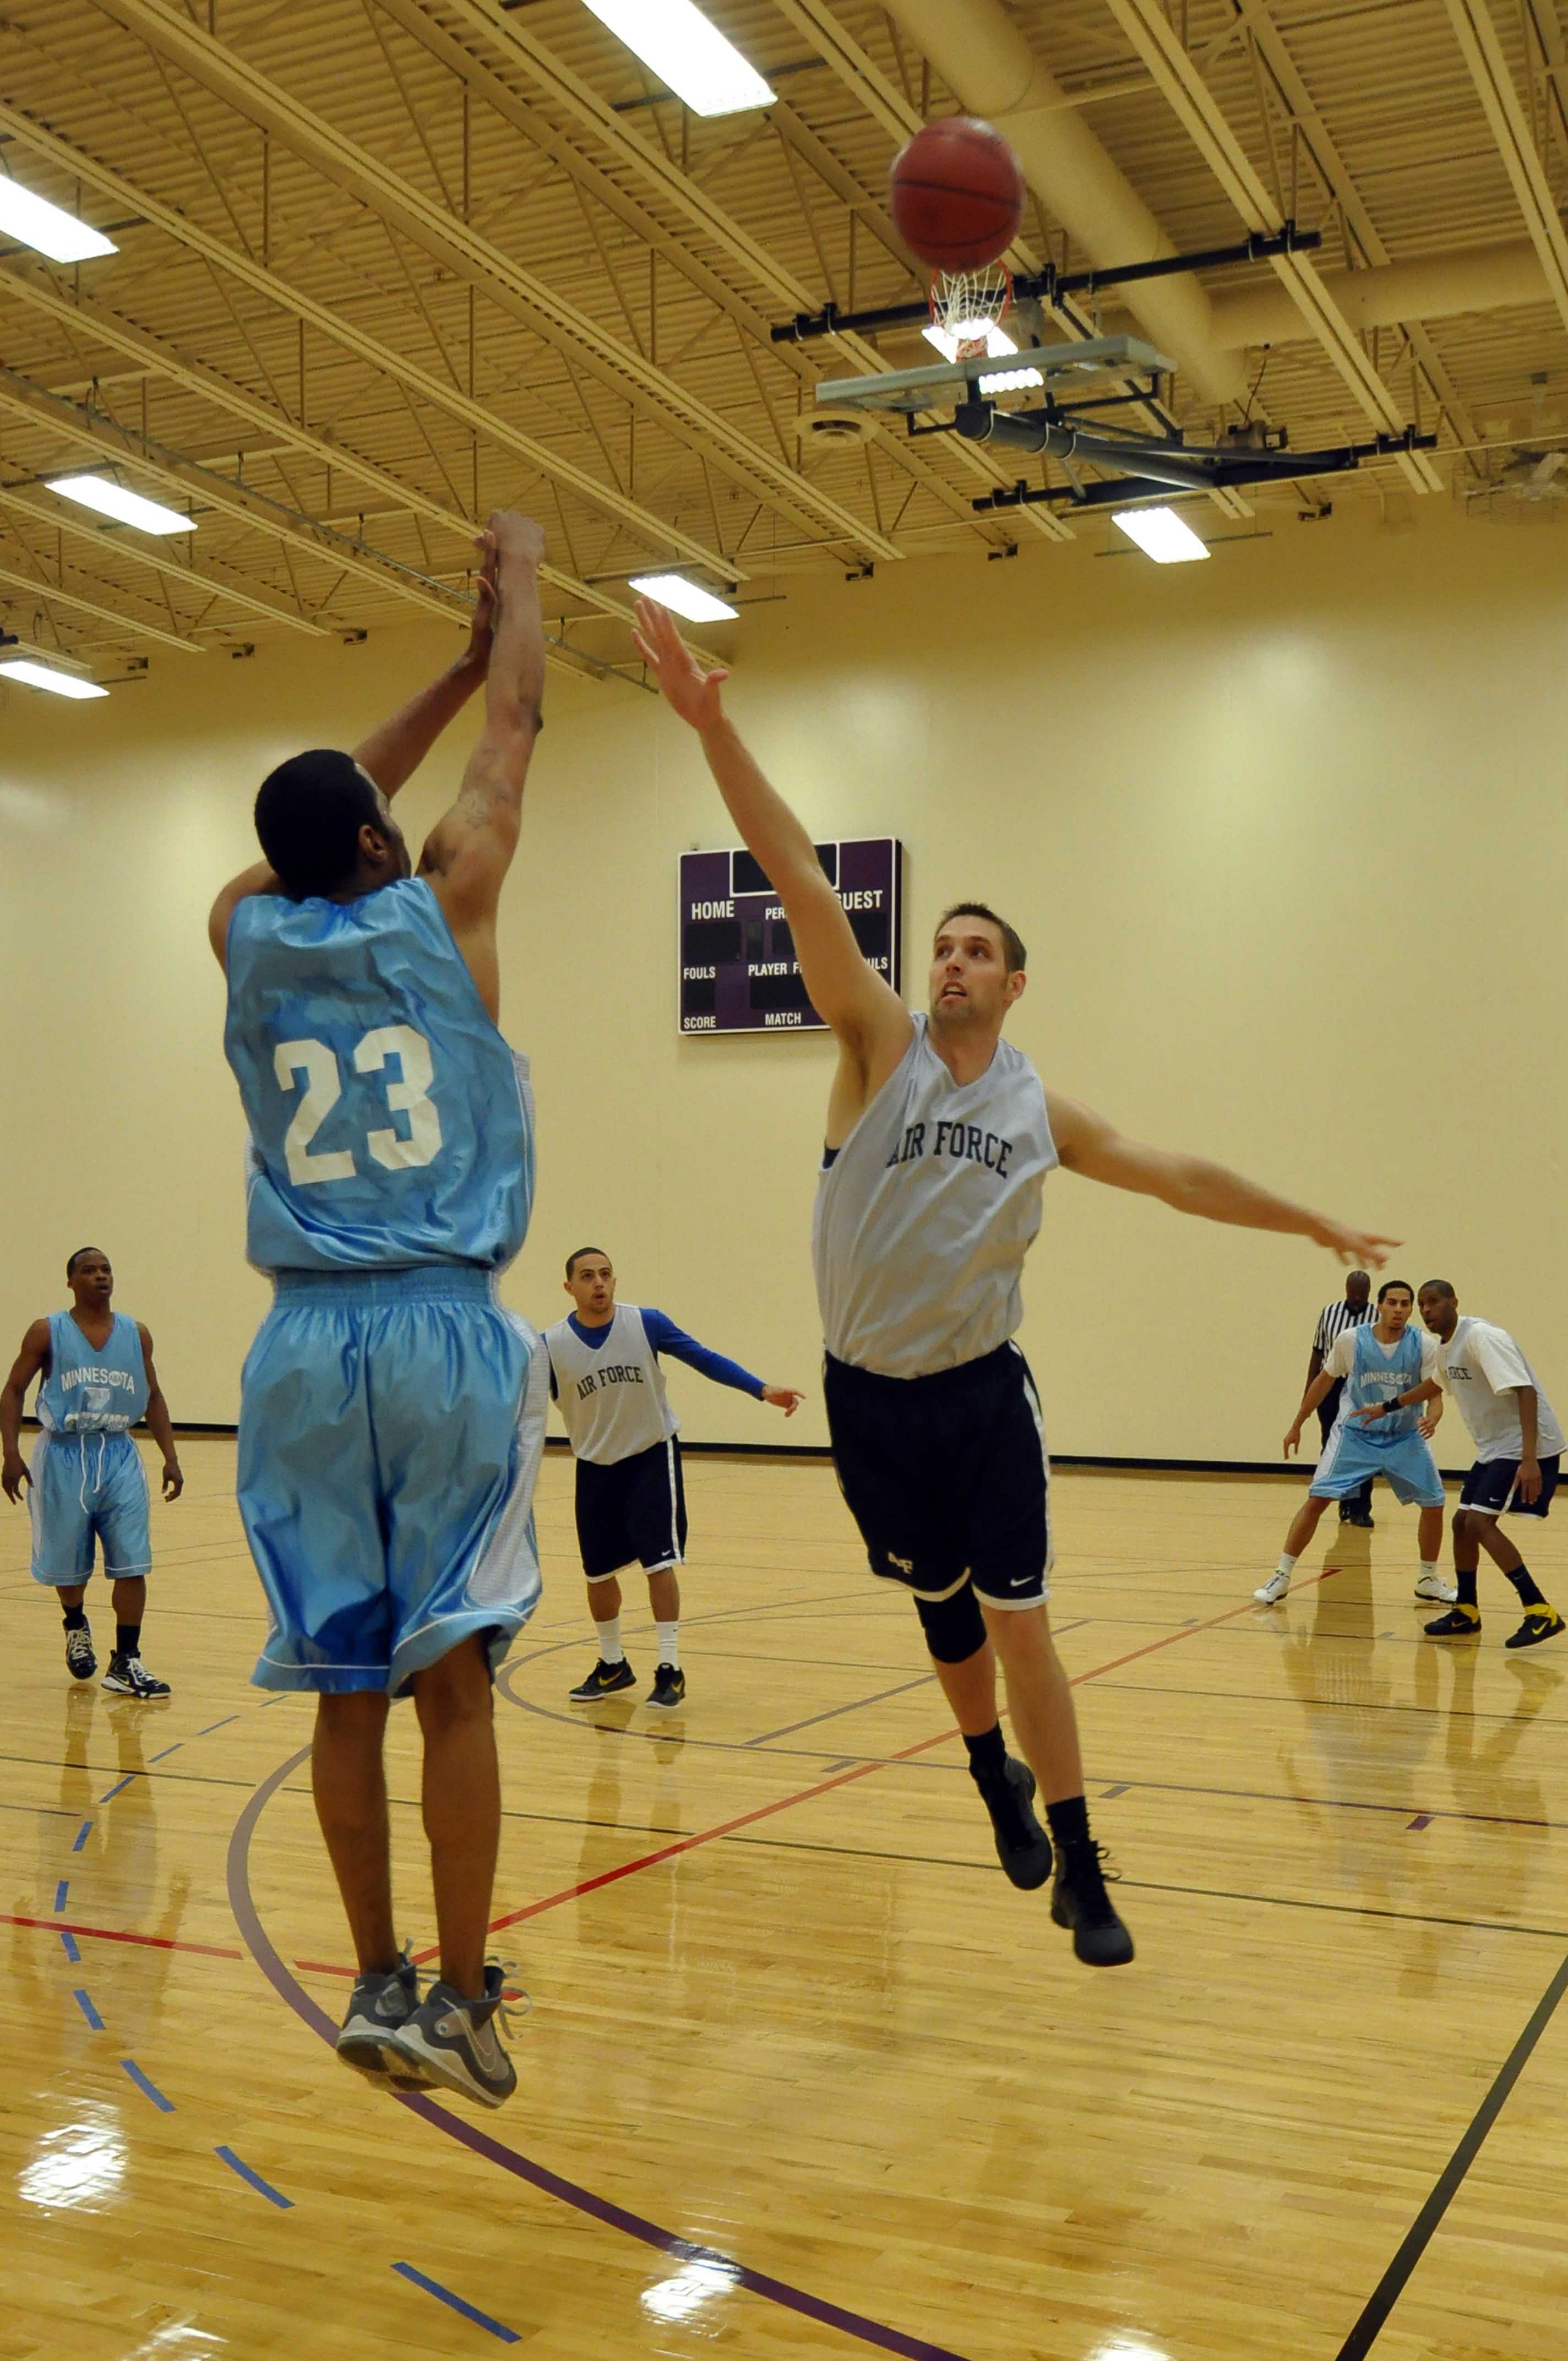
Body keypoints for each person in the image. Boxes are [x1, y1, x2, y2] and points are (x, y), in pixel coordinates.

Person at [633, 594, 1395, 1970]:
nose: (950, 961)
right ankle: (983, 1767)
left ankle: (1081, 1858)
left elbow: (1178, 1171)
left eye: (976, 950)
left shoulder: (1040, 1109)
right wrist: (712, 725)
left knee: (1018, 1618)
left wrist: (1307, 1222)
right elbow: (798, 872)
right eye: (942, 945)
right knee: (940, 1616)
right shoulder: (873, 1041)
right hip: (872, 1401)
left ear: (1016, 982)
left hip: (983, 1395)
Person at [208, 511, 551, 2107]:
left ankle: (371, 1980)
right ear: (379, 843)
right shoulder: (449, 905)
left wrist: (431, 679)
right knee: (454, 1678)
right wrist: (513, 613)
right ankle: (466, 1997)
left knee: (343, 1679)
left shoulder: (243, 936)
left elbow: (300, 826)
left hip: (296, 1348)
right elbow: (518, 734)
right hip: (439, 1330)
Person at [545, 1246, 804, 1709]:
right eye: (587, 1276)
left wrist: (761, 1389)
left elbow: (703, 1358)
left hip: (650, 1455)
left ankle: (670, 1667)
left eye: (606, 1274)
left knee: (658, 1563)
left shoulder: (646, 1323)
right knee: (597, 1573)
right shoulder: (550, 1346)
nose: (599, 1283)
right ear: (570, 1287)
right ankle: (613, 1665)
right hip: (594, 1465)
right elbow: (519, 1407)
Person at [0, 1246, 183, 1697]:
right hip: (63, 1453)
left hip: (119, 1451)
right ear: (71, 1282)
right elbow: (14, 1389)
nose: (100, 1277)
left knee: (132, 1562)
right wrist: (10, 1452)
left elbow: (154, 1396)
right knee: (69, 1567)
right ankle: (76, 1623)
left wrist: (171, 1456)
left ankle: (127, 1661)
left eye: (106, 1270)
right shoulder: (48, 1331)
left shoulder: (136, 1334)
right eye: (89, 1270)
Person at [1254, 1279, 1454, 1606]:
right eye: (1393, 1303)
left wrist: (1433, 1417)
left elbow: (1434, 1391)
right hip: (1356, 1436)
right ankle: (1282, 1574)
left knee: (1434, 1502)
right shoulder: (1352, 1341)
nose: (1399, 1310)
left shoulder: (1424, 1344)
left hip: (1403, 1436)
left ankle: (1428, 1578)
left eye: (1406, 1304)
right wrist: (1297, 1424)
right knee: (1318, 1499)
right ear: (1380, 1306)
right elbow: (1323, 1381)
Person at [1393, 1283, 1566, 1650]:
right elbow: (1434, 1385)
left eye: (1434, 1302)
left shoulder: (1482, 1337)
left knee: (1478, 1522)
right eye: (1421, 1305)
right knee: (1462, 1524)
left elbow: (1526, 1391)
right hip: (1494, 1448)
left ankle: (1540, 1610)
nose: (1426, 1310)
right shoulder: (1446, 1348)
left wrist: (1530, 1459)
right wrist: (1388, 1407)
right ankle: (1467, 1611)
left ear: (1454, 1302)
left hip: (1524, 1445)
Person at [1307, 1270, 1375, 1526]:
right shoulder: (1329, 1313)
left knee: (1364, 1445)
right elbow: (1317, 1354)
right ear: (1346, 1289)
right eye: (1353, 1292)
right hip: (1331, 1385)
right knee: (1332, 1444)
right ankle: (1344, 1503)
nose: (1357, 1297)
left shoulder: (1377, 1317)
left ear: (1369, 1292)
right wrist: (1310, 1393)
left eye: (1362, 1293)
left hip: (1363, 1387)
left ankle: (1361, 1508)